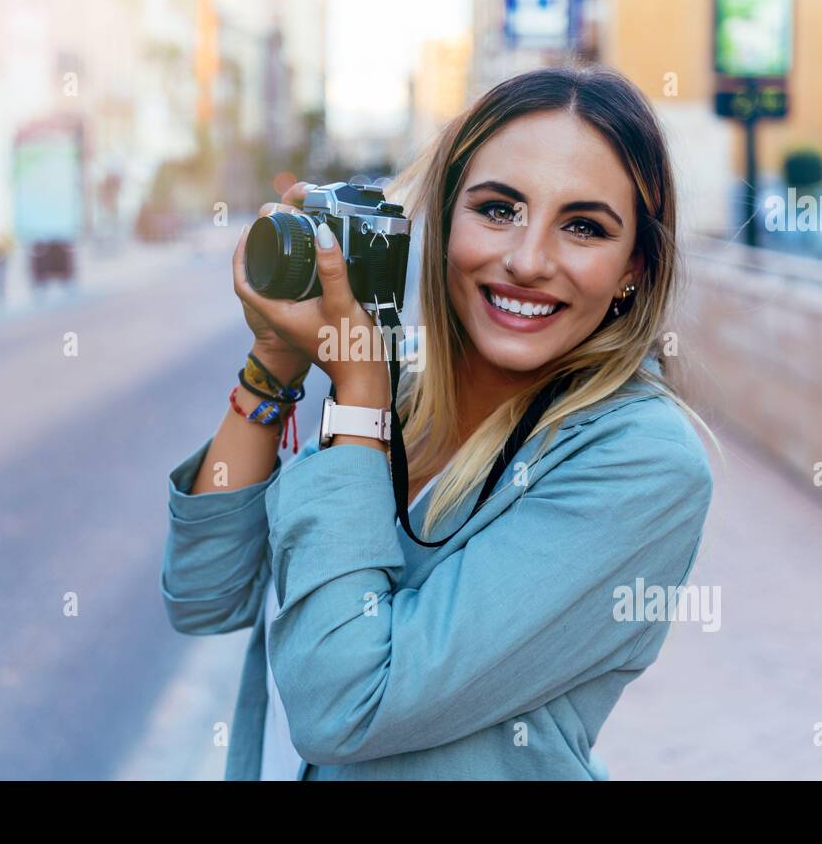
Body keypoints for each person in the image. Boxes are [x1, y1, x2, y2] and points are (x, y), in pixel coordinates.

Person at [162, 64, 718, 780]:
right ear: (445, 218)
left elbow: (345, 707)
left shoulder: (640, 462)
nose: (527, 260)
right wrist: (276, 365)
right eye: (498, 209)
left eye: (582, 227)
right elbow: (204, 595)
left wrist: (358, 393)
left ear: (634, 268)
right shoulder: (403, 398)